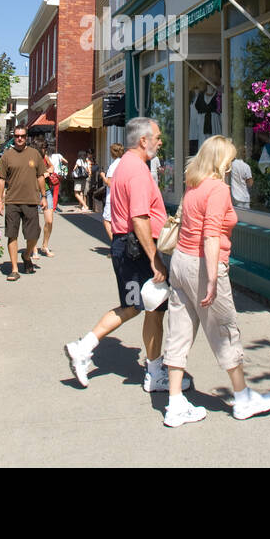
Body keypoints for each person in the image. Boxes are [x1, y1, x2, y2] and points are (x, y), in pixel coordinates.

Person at [63, 117, 191, 393]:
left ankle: (154, 370)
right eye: (157, 137)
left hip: (131, 247)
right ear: (143, 140)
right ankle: (85, 348)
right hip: (135, 249)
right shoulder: (135, 170)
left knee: (152, 307)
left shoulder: (128, 166)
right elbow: (139, 218)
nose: (160, 141)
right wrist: (154, 257)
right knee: (137, 306)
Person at [163, 136, 270, 426]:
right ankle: (242, 397)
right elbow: (211, 234)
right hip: (203, 264)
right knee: (224, 329)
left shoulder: (193, 184)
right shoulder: (218, 189)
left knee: (179, 330)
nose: (231, 164)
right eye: (229, 158)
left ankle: (174, 402)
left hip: (180, 261)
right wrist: (213, 279)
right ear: (221, 159)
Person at [0, 126, 47, 280]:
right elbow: (1, 179)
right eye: (17, 136)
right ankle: (14, 269)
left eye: (22, 136)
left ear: (26, 137)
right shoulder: (7, 155)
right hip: (12, 201)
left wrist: (43, 196)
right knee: (12, 235)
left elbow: (40, 176)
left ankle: (26, 255)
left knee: (34, 234)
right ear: (14, 137)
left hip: (31, 200)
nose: (19, 138)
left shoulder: (34, 154)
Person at [35, 136, 59, 256]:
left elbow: (51, 166)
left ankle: (45, 245)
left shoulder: (45, 157)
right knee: (34, 223)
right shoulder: (31, 158)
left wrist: (48, 172)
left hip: (47, 190)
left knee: (49, 221)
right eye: (44, 148)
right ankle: (33, 248)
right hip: (34, 191)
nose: (45, 150)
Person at [99, 142, 124, 240]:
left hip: (112, 196)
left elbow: (109, 183)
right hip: (122, 196)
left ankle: (115, 245)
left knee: (107, 220)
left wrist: (102, 176)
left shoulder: (113, 166)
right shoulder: (124, 163)